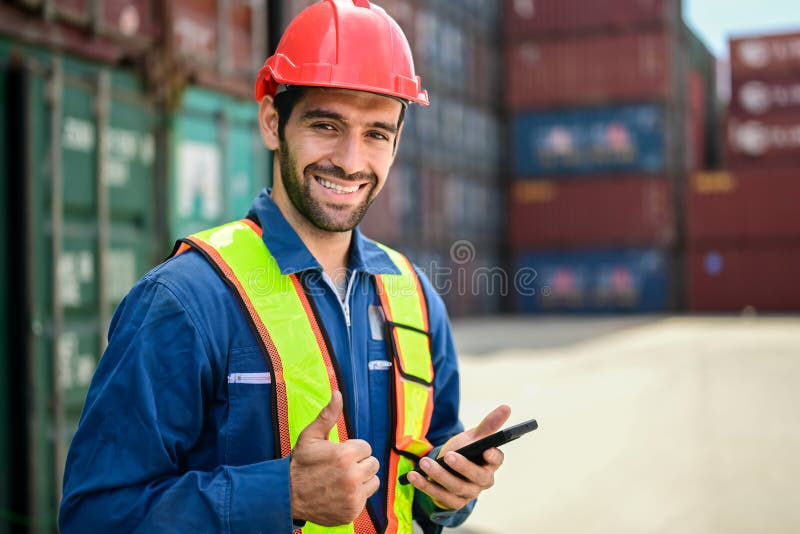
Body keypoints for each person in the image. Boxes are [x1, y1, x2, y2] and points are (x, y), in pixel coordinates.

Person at [59, 1, 511, 532]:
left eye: (376, 134)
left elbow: (421, 479)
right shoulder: (185, 299)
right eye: (326, 125)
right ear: (273, 123)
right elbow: (96, 516)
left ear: (397, 142)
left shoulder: (411, 293)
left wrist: (450, 492)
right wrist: (281, 495)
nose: (350, 159)